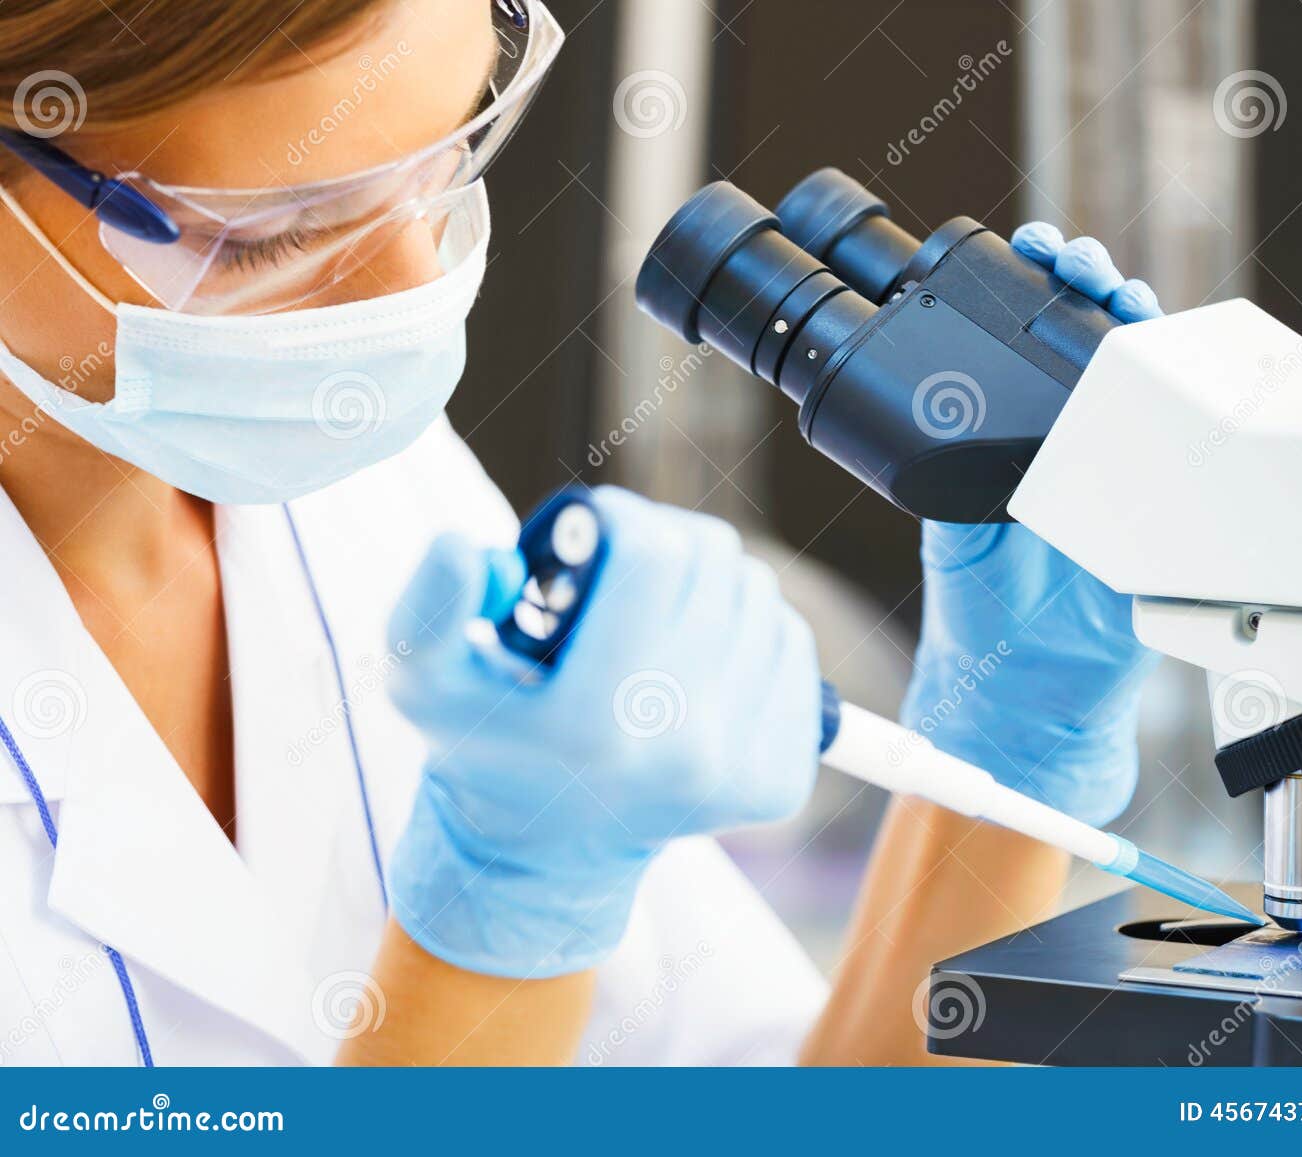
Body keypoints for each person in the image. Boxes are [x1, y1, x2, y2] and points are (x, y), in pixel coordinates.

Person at [0, 0, 1161, 1067]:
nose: (413, 289)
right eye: (273, 236)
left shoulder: (356, 484)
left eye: (448, 157)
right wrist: (503, 925)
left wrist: (1003, 755)